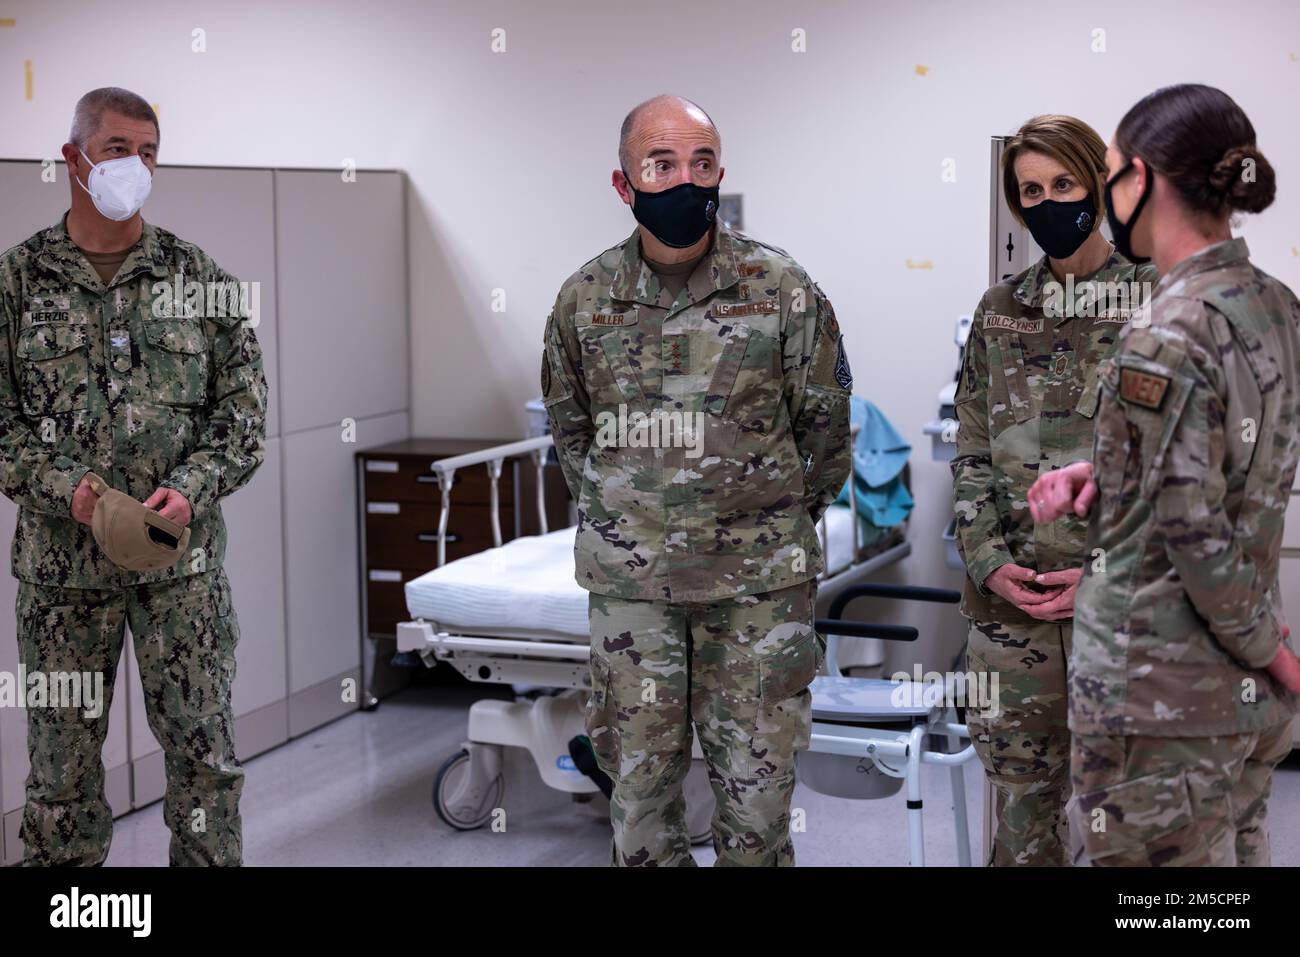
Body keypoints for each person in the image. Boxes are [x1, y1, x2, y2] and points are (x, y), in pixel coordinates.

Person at [541, 94, 852, 866]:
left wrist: (759, 523)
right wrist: (636, 525)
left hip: (758, 594)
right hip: (634, 597)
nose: (686, 180)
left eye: (702, 163)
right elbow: (572, 434)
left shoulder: (781, 289)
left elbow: (824, 431)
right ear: (624, 184)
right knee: (640, 811)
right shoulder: (585, 301)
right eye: (662, 164)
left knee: (756, 815)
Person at [1028, 84, 1300, 867]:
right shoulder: (1272, 303)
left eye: (1110, 172)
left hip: (1161, 700)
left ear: (1141, 177)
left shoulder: (1166, 328)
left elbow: (1194, 525)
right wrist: (1107, 470)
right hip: (1239, 702)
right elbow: (1232, 460)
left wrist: (1270, 650)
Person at [0, 87, 268, 865]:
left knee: (205, 769)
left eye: (149, 152)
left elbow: (243, 418)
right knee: (60, 783)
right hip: (63, 582)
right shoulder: (16, 286)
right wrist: (65, 492)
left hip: (181, 575)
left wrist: (193, 484)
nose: (136, 167)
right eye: (118, 150)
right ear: (73, 159)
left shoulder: (199, 277)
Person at [951, 114, 1156, 866]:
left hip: (1127, 617)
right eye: (1029, 190)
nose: (1046, 203)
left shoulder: (1159, 298)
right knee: (1022, 824)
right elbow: (969, 448)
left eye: (1063, 184)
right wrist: (987, 560)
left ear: (1099, 184)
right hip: (1016, 616)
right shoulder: (1000, 310)